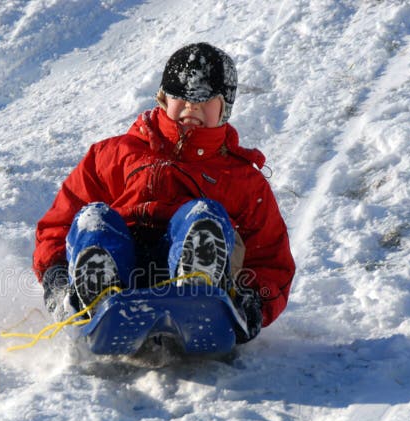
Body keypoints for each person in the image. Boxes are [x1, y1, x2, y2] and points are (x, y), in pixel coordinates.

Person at [33, 42, 295, 343]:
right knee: (93, 220)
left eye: (206, 99)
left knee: (203, 216)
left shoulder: (241, 178)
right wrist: (55, 276)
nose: (191, 106)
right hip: (122, 273)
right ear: (162, 98)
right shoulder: (114, 154)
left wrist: (255, 303)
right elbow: (59, 223)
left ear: (225, 107)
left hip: (186, 268)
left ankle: (200, 286)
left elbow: (272, 260)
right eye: (180, 96)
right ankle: (96, 293)